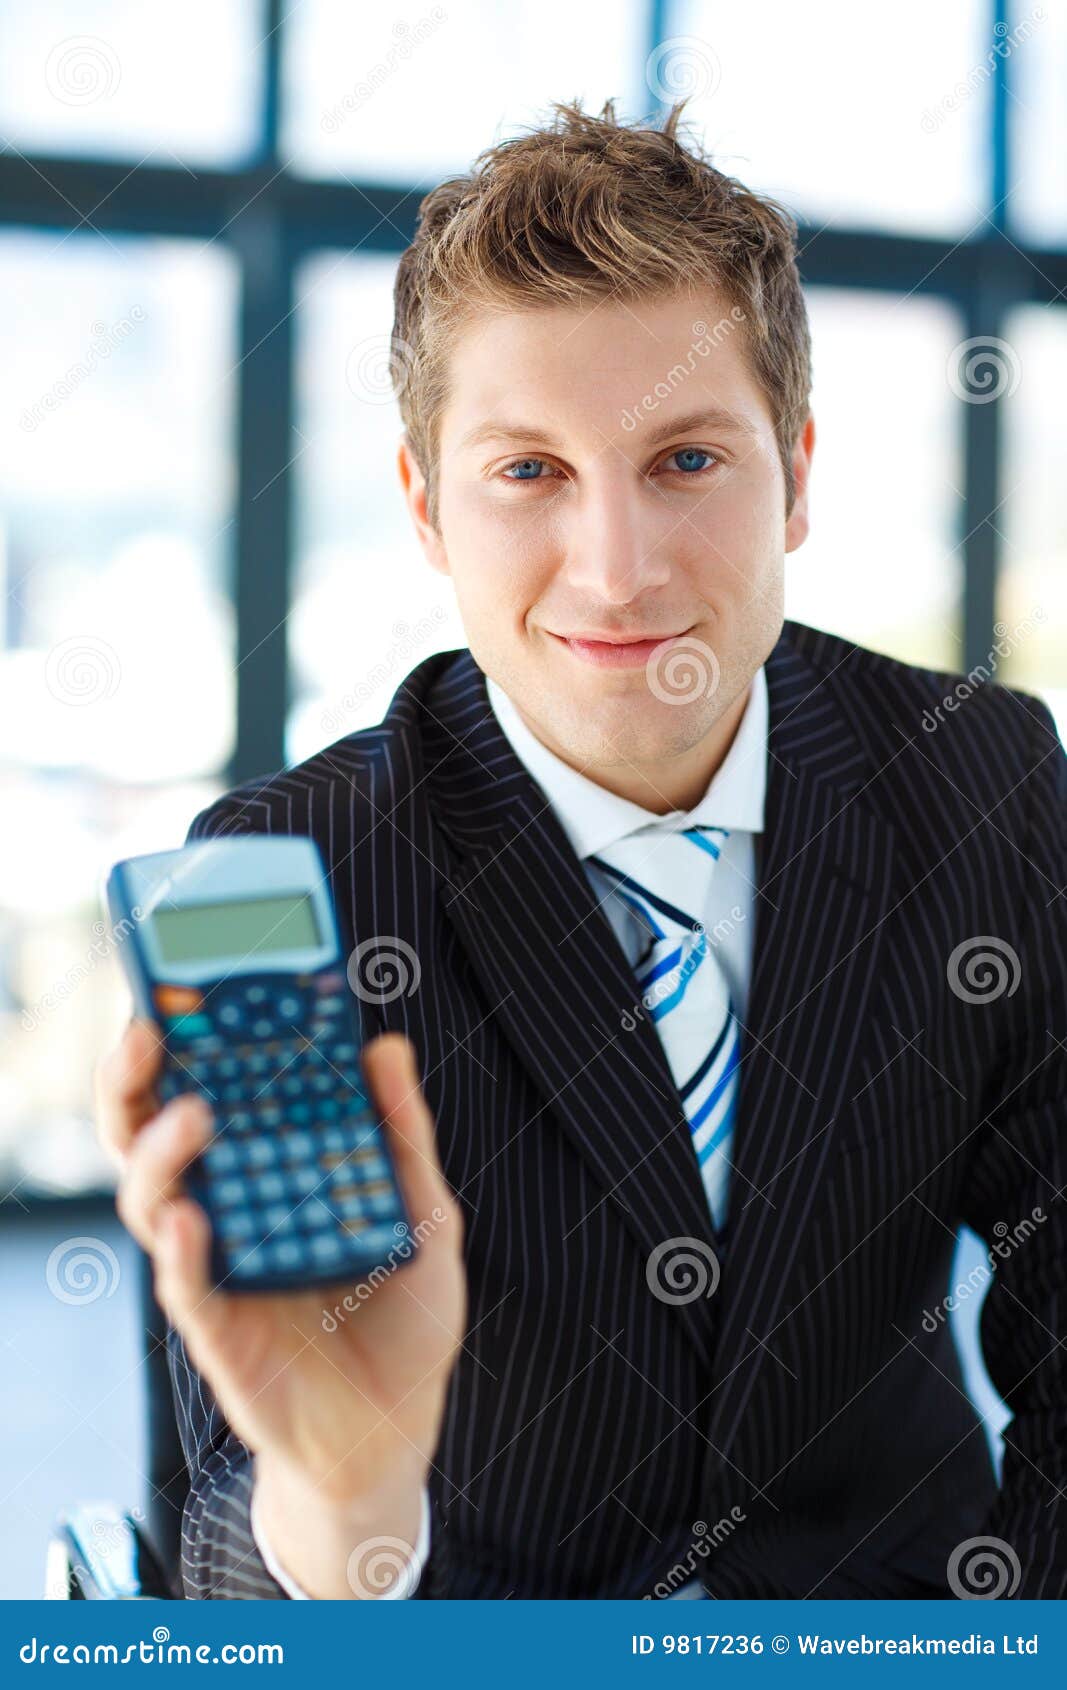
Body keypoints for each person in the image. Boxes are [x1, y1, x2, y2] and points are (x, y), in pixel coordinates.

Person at [94, 100, 1066, 1601]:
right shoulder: (289, 873)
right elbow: (229, 1524)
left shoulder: (979, 787)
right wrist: (345, 1498)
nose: (616, 568)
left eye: (685, 460)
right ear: (426, 506)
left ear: (796, 475)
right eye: (528, 472)